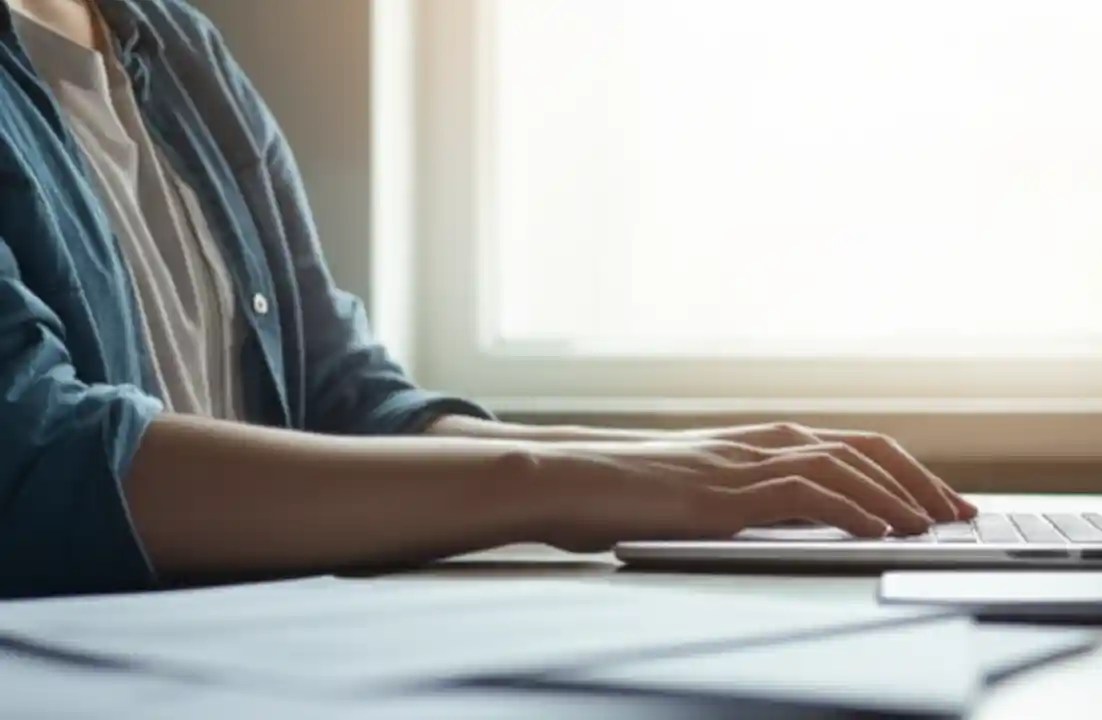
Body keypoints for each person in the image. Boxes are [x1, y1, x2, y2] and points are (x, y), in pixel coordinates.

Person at [0, 0, 976, 598]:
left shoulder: (179, 48)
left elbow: (347, 401)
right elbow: (39, 460)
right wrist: (543, 484)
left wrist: (685, 465)